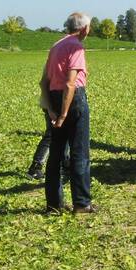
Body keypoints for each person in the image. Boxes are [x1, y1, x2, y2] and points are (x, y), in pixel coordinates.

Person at [41, 12, 95, 215]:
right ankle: (81, 203)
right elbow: (70, 83)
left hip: (53, 99)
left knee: (56, 153)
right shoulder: (76, 46)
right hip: (72, 100)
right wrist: (63, 114)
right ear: (84, 29)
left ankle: (53, 205)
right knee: (80, 152)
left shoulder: (56, 46)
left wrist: (51, 110)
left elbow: (43, 81)